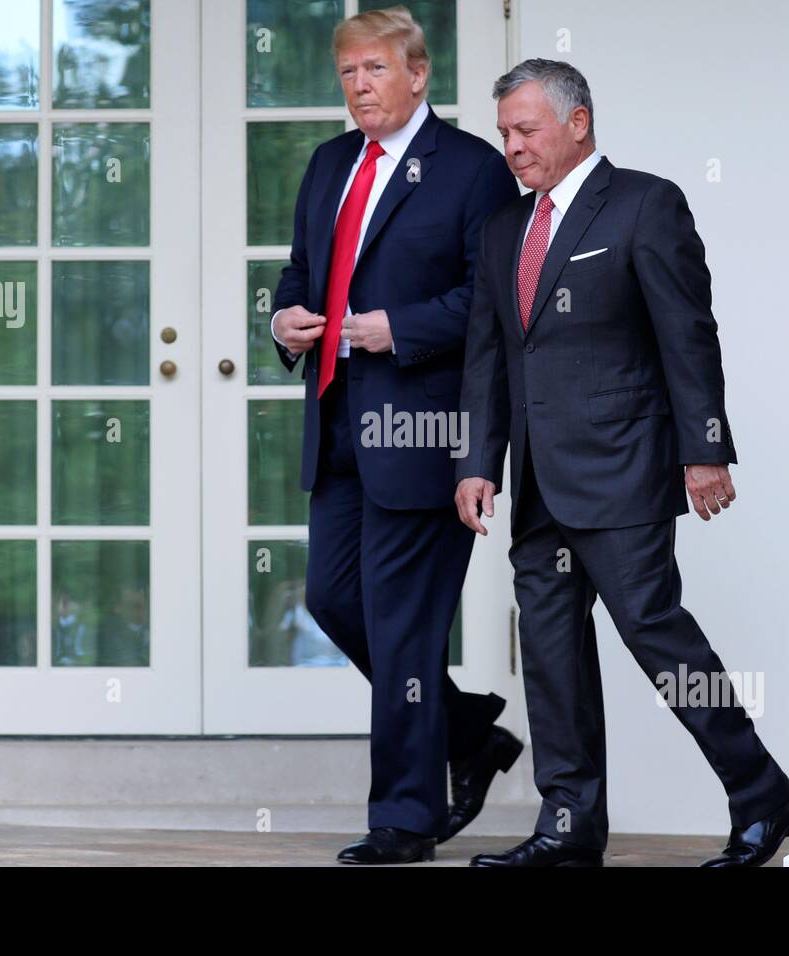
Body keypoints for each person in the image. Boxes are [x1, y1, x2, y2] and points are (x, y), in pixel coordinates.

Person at [455, 58, 789, 867]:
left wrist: (705, 449)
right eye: (503, 131)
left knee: (659, 638)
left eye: (526, 128)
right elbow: (489, 357)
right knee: (550, 656)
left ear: (578, 123)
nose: (512, 145)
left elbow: (688, 335)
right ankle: (568, 827)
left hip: (624, 470)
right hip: (537, 486)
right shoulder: (504, 229)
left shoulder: (646, 203)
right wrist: (476, 462)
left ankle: (759, 792)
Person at [270, 5, 522, 864]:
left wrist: (396, 328)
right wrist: (284, 322)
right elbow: (299, 274)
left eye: (375, 69)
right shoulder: (329, 163)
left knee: (405, 628)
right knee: (335, 602)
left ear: (418, 74)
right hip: (337, 423)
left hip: (423, 431)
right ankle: (467, 732)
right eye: (348, 73)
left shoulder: (472, 170)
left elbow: (493, 301)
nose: (360, 86)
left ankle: (404, 819)